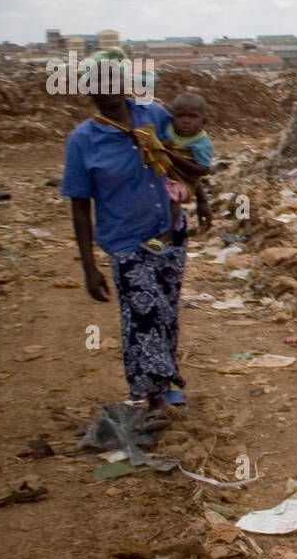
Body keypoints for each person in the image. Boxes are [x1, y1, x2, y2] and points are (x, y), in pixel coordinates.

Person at [60, 62, 202, 412]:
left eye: (114, 82)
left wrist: (203, 197)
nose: (108, 90)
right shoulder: (82, 141)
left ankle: (166, 383)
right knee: (143, 313)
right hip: (125, 241)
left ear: (126, 84)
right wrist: (89, 267)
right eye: (98, 85)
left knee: (166, 311)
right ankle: (151, 394)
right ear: (89, 92)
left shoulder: (152, 115)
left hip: (168, 232)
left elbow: (184, 156)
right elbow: (80, 205)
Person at [161, 91, 214, 238]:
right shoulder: (169, 131)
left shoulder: (202, 143)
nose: (186, 121)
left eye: (192, 116)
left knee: (173, 199)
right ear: (172, 118)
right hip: (165, 176)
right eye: (180, 116)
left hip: (185, 182)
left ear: (204, 121)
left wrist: (177, 159)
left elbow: (203, 170)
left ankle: (166, 234)